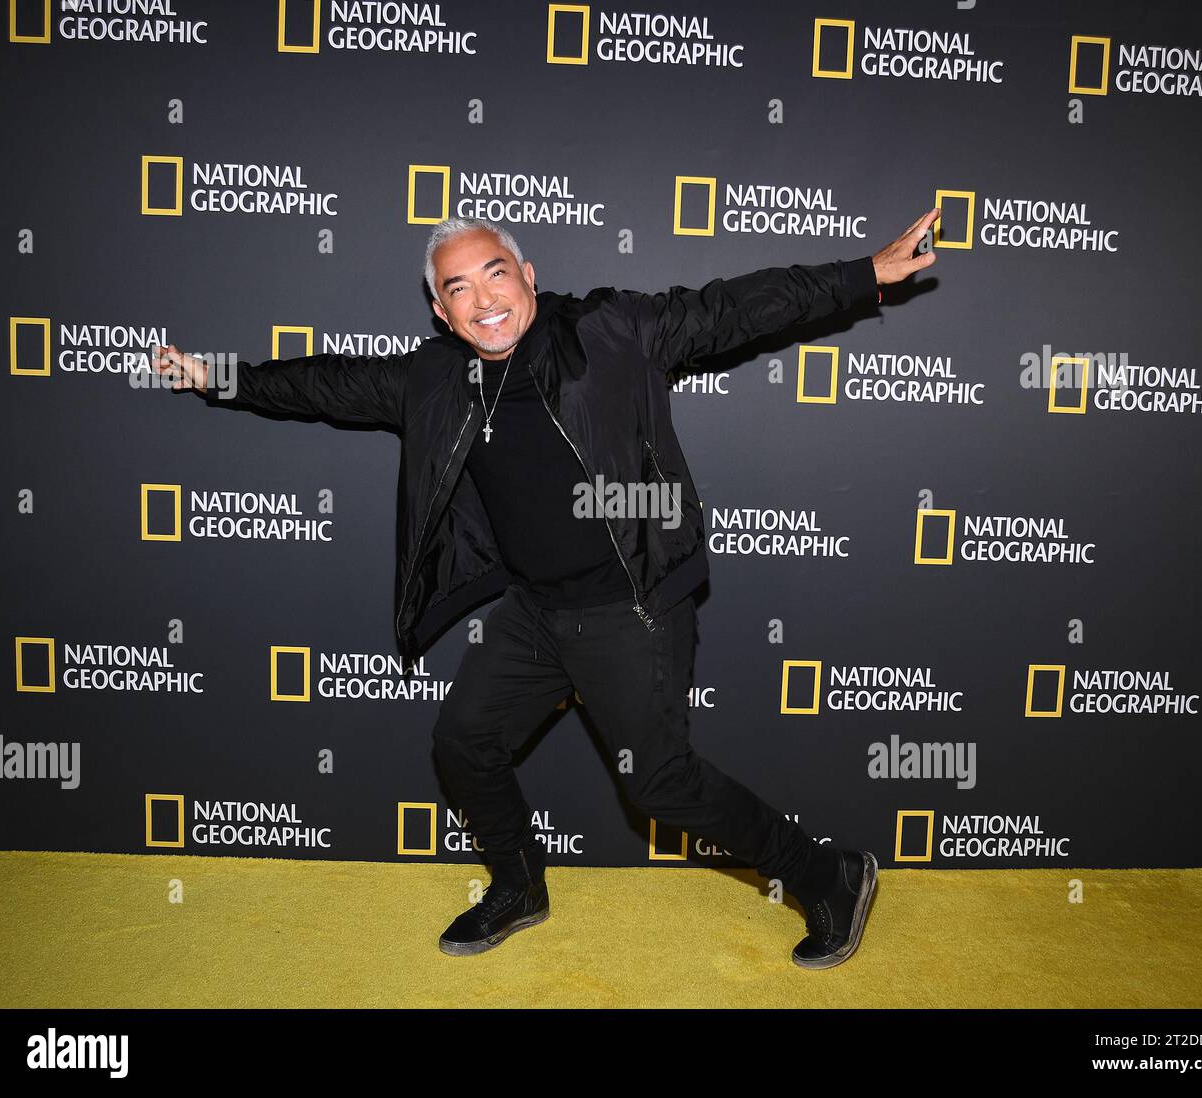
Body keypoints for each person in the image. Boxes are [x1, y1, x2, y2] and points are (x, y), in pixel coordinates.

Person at [154, 207, 939, 969]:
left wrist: (864, 273)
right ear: (440, 309)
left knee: (661, 784)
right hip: (536, 610)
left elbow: (734, 308)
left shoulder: (609, 333)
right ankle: (519, 886)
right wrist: (215, 376)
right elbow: (323, 384)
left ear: (528, 275)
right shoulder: (436, 380)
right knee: (462, 743)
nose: (484, 299)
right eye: (459, 288)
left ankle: (826, 874)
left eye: (495, 274)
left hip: (630, 601)